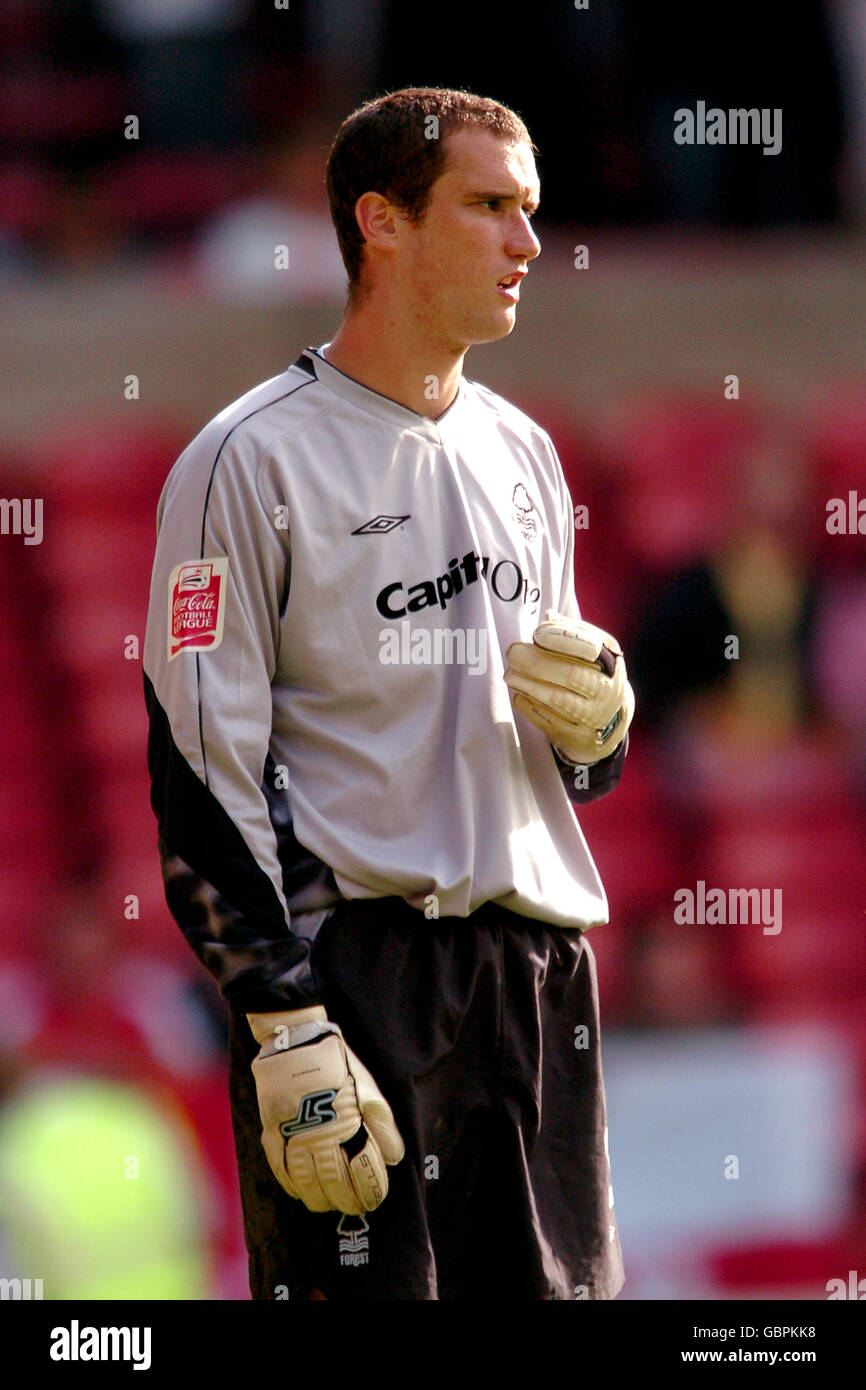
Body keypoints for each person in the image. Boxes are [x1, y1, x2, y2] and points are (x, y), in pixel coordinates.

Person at [143, 86, 634, 1301]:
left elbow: (553, 750)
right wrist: (279, 1017)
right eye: (488, 207)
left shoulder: (522, 448)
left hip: (532, 977)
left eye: (529, 211)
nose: (528, 243)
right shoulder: (244, 458)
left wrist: (601, 739)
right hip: (358, 980)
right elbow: (198, 761)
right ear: (382, 222)